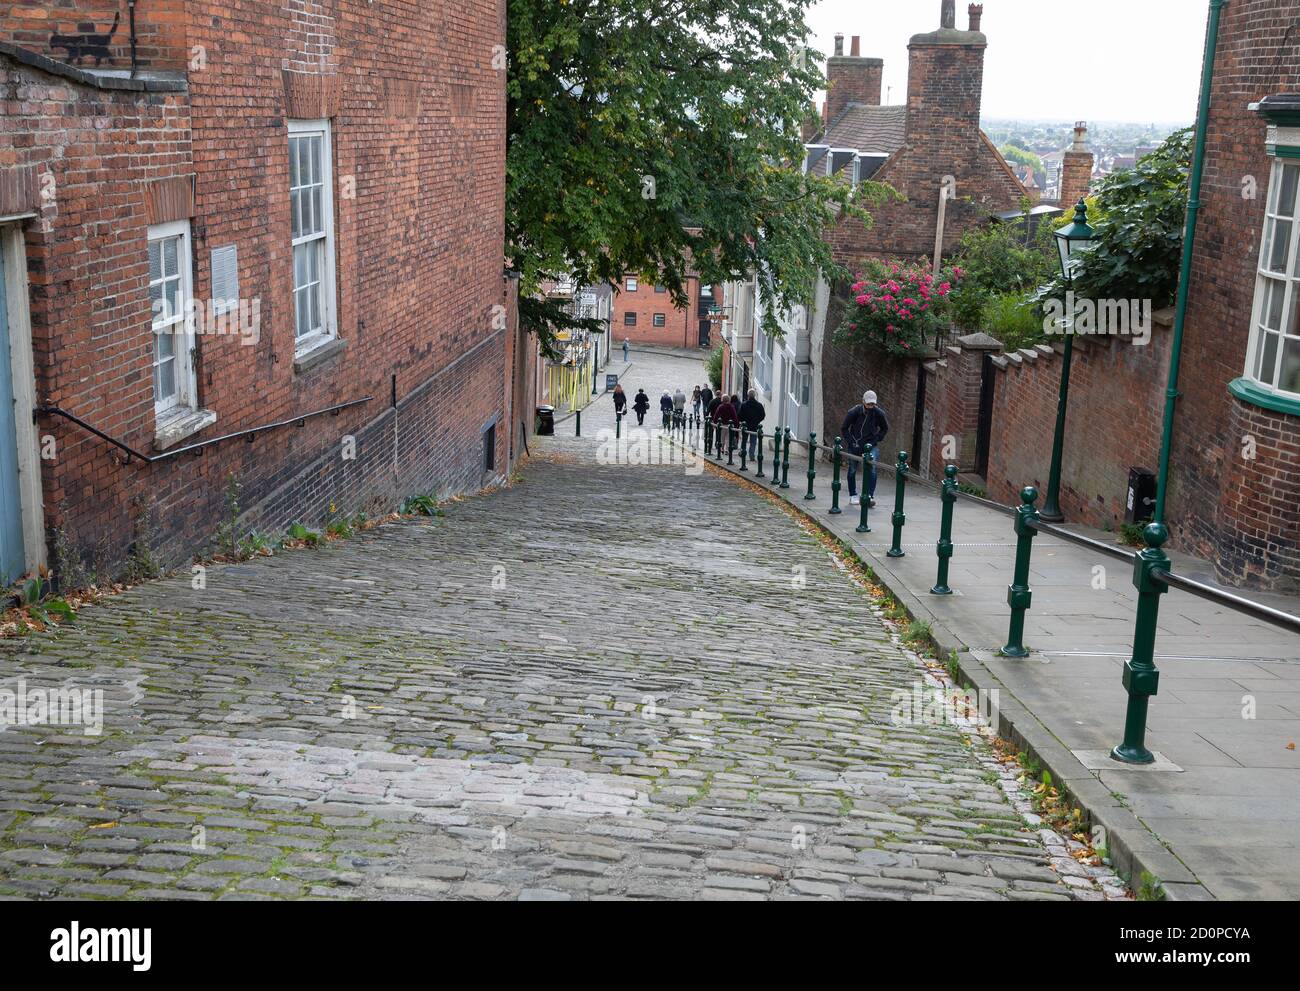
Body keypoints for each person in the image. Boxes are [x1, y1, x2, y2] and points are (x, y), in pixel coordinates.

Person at [841, 390, 890, 507]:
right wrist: (851, 442)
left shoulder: (879, 414)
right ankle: (853, 495)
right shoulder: (854, 412)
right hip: (855, 444)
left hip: (871, 445)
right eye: (868, 404)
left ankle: (870, 495)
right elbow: (844, 428)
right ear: (863, 402)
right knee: (852, 469)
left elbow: (885, 428)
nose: (870, 407)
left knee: (872, 467)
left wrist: (877, 439)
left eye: (872, 404)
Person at [738, 389, 766, 459]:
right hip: (755, 425)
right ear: (755, 395)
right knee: (753, 441)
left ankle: (743, 452)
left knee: (744, 440)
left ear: (748, 395)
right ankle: (751, 455)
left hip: (746, 425)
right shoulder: (759, 405)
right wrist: (757, 421)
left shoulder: (744, 404)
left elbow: (739, 415)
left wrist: (742, 421)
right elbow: (763, 415)